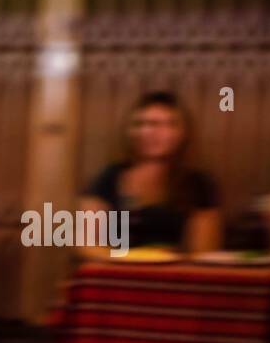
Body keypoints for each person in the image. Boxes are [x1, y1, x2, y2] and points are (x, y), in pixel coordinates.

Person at [78, 90, 221, 260]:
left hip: (175, 276)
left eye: (165, 125)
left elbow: (203, 252)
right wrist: (131, 261)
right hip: (117, 272)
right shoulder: (108, 178)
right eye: (141, 124)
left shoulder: (198, 184)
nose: (150, 132)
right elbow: (86, 244)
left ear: (182, 133)